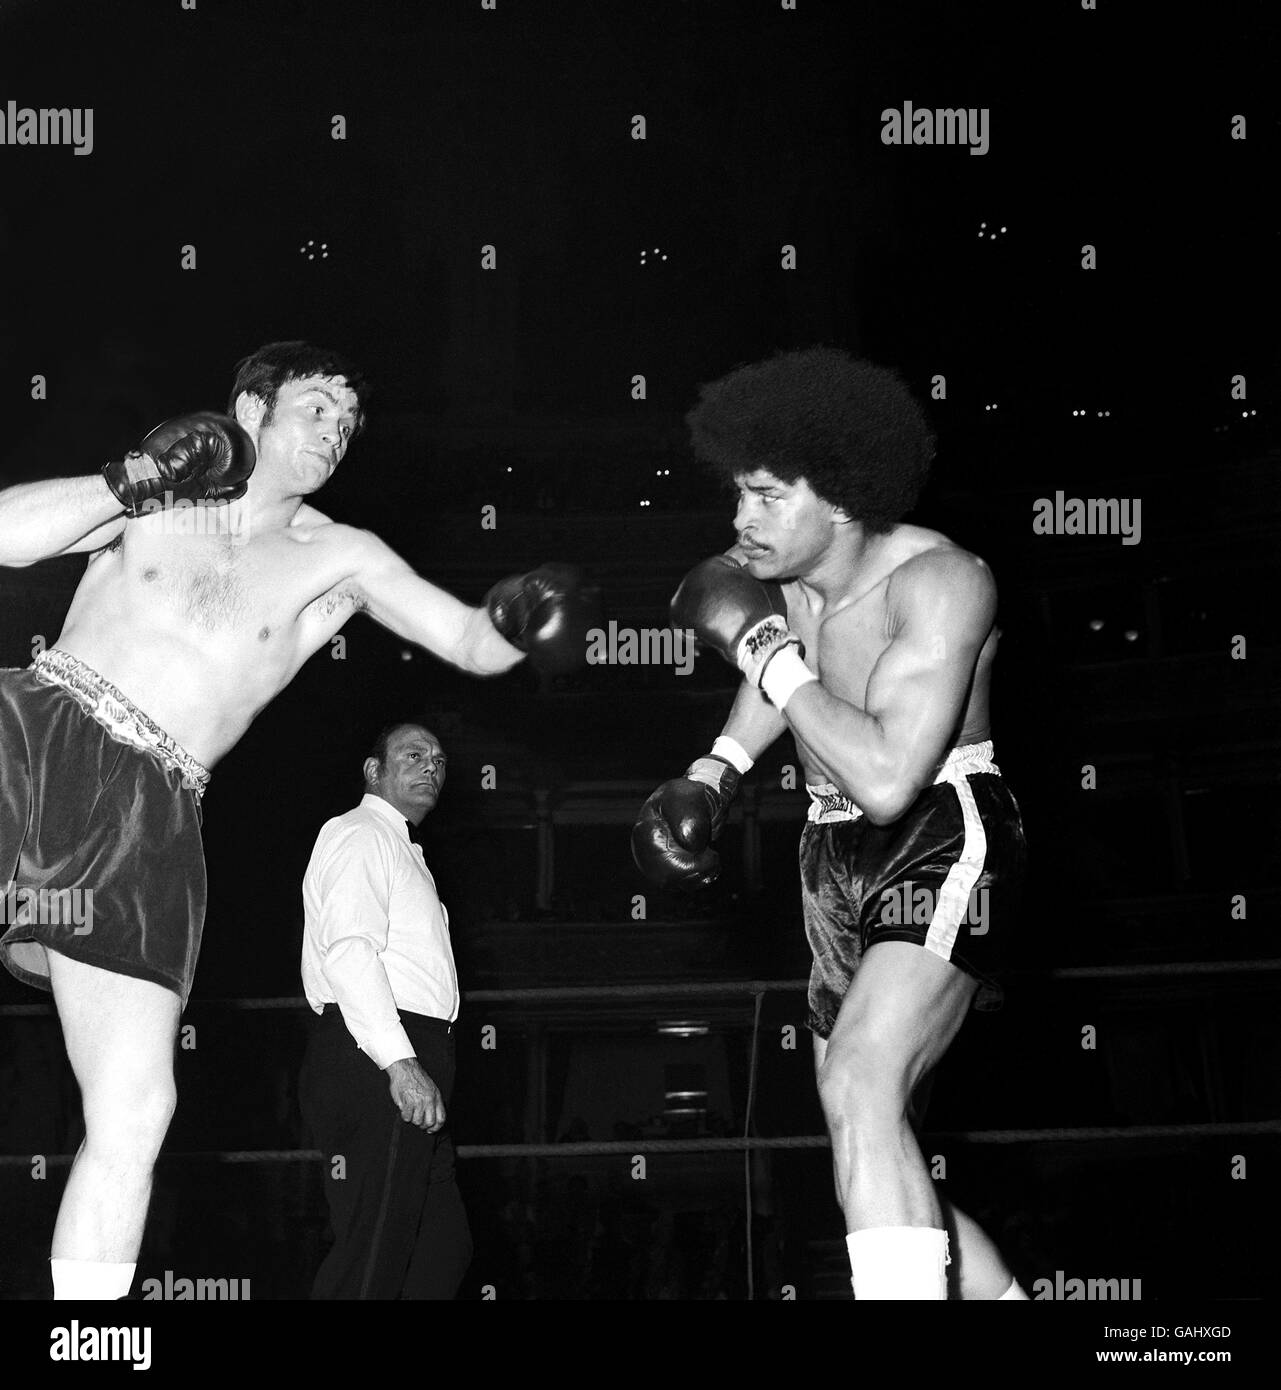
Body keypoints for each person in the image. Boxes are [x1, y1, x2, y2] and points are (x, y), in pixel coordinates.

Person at [0, 340, 594, 1300]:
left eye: (347, 422)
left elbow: (468, 642)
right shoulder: (163, 497)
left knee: (137, 1108)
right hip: (35, 732)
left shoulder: (340, 554)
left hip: (152, 815)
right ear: (250, 410)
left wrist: (517, 616)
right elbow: (4, 536)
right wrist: (129, 478)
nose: (335, 430)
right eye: (317, 406)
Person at [633, 346, 1029, 1300]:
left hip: (940, 829)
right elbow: (775, 689)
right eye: (737, 495)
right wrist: (714, 773)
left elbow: (893, 776)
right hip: (826, 850)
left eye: (767, 496)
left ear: (843, 494)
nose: (740, 521)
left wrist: (767, 651)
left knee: (858, 1083)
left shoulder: (939, 581)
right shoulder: (781, 580)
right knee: (868, 1126)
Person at [299, 721, 470, 1300]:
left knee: (441, 1244)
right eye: (414, 755)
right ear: (374, 772)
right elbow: (348, 953)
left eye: (440, 760)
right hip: (378, 1052)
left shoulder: (399, 845)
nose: (431, 768)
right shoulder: (360, 833)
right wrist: (401, 1064)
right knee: (374, 1253)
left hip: (408, 1049)